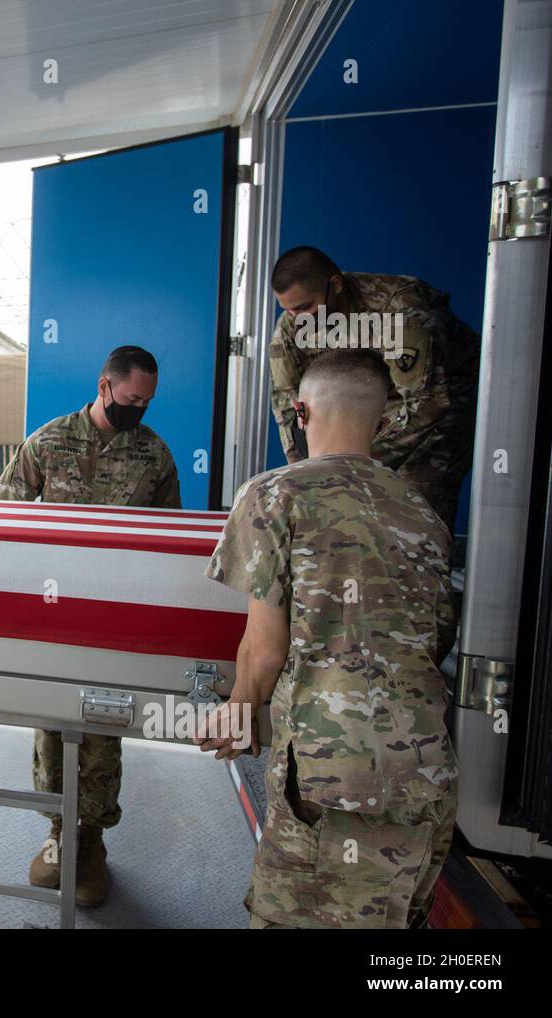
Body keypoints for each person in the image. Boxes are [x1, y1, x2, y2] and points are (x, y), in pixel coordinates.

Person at [198, 349, 457, 928]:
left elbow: (264, 648)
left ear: (298, 410)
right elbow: (432, 641)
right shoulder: (424, 514)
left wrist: (239, 714)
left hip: (332, 778)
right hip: (427, 773)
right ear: (385, 421)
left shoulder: (274, 495)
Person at [0, 345, 180, 906]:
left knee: (101, 725)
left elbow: (169, 540)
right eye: (130, 400)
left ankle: (92, 844)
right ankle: (57, 835)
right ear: (104, 387)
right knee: (51, 725)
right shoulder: (48, 442)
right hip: (52, 616)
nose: (138, 411)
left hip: (114, 620)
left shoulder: (154, 455)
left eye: (146, 402)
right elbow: (4, 518)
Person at [268, 245, 480, 530]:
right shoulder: (291, 325)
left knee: (414, 501)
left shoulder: (399, 309)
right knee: (332, 491)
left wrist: (354, 463)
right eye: (288, 309)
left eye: (305, 306)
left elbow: (428, 403)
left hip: (440, 396)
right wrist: (305, 469)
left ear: (336, 285)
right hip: (372, 401)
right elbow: (289, 407)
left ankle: (422, 568)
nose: (296, 318)